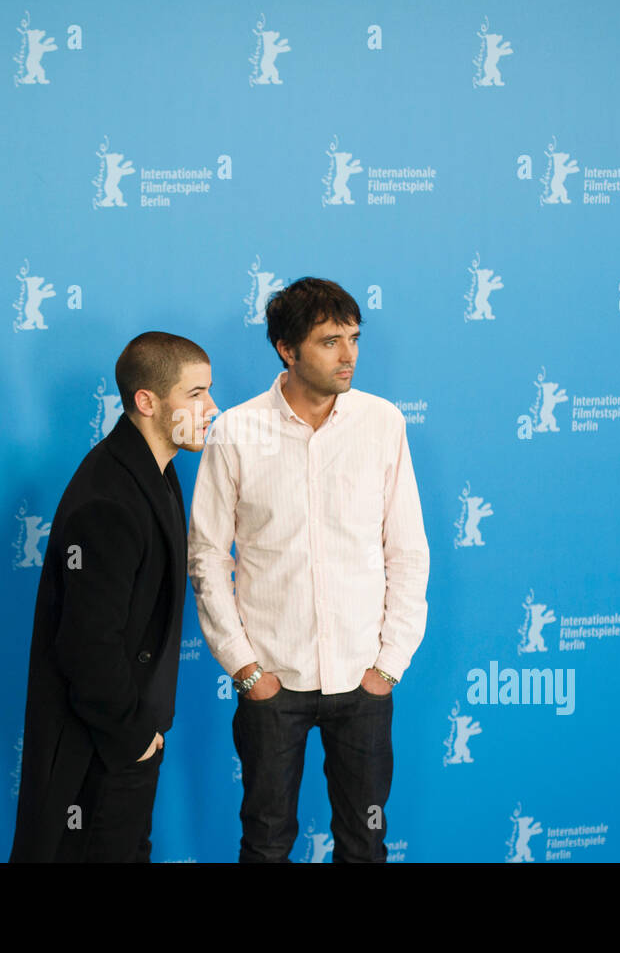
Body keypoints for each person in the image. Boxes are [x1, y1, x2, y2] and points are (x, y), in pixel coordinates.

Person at [188, 277, 429, 862]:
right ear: (287, 350)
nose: (348, 355)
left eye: (353, 338)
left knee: (365, 843)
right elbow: (207, 557)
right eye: (329, 341)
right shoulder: (237, 432)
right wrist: (246, 669)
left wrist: (387, 667)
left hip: (363, 681)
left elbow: (407, 550)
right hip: (273, 681)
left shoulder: (382, 424)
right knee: (266, 844)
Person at [11, 331, 216, 862]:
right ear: (147, 402)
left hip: (121, 743)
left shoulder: (154, 473)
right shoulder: (110, 497)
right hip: (99, 750)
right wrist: (135, 739)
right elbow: (87, 644)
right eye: (195, 394)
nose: (211, 408)